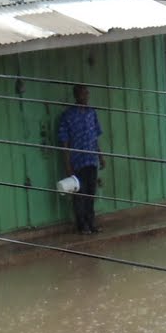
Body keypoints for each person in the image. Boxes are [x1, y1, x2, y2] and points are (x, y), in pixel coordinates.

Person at [55, 84, 104, 235]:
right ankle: (82, 225)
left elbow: (95, 137)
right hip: (77, 161)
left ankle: (91, 223)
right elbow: (64, 141)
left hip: (91, 159)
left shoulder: (91, 113)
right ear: (76, 95)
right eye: (83, 94)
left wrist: (100, 156)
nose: (85, 96)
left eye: (87, 93)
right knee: (79, 193)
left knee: (91, 193)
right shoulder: (68, 116)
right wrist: (67, 164)